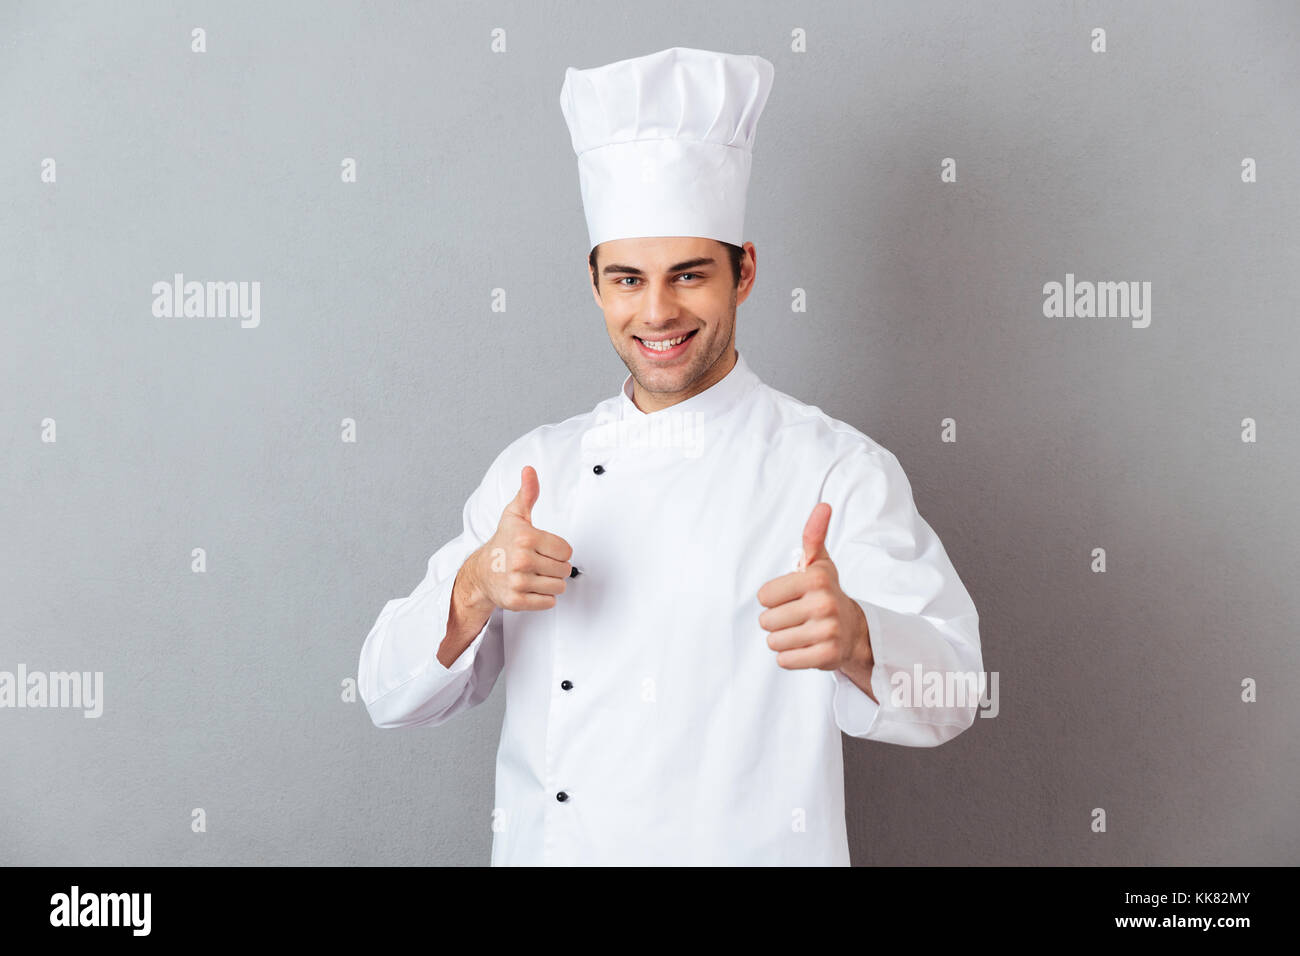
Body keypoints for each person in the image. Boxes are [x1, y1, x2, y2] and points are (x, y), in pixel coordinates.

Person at [358, 46, 983, 866]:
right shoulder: (534, 473)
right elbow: (385, 695)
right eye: (627, 279)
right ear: (595, 284)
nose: (657, 312)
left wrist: (861, 638)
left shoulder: (834, 469)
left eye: (689, 275)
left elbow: (959, 694)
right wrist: (472, 587)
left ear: (744, 272)